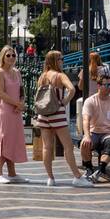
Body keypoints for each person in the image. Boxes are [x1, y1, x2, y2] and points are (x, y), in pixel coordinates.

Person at [33, 50, 92, 188]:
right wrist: (64, 102)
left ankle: (50, 178)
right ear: (55, 60)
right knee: (68, 146)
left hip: (43, 114)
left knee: (47, 147)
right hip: (57, 113)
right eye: (61, 59)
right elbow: (72, 89)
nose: (63, 61)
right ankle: (77, 176)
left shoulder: (42, 76)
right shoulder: (60, 76)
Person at [0, 46, 28, 184]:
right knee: (3, 139)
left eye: (13, 55)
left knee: (13, 139)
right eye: (8, 55)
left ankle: (12, 173)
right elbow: (0, 93)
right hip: (5, 111)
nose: (11, 58)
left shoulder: (17, 72)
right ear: (3, 57)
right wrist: (16, 104)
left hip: (16, 111)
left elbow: (21, 90)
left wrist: (21, 103)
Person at [79, 74, 110, 183]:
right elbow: (86, 120)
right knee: (84, 144)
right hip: (94, 131)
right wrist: (87, 135)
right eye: (106, 85)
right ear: (99, 86)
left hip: (108, 132)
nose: (109, 87)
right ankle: (89, 168)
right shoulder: (90, 101)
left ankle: (100, 170)